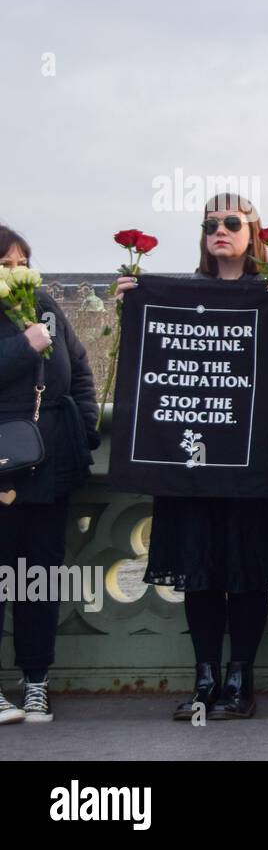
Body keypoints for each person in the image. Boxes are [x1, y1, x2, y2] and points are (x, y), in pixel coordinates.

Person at [116, 194, 268, 720]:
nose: (219, 230)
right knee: (199, 567)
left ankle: (240, 680)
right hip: (192, 451)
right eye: (210, 223)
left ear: (253, 234)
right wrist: (130, 308)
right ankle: (205, 677)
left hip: (252, 449)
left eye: (231, 222)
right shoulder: (178, 294)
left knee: (247, 568)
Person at [0, 227, 99, 724]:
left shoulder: (43, 305)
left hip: (49, 462)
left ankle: (36, 681)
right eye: (6, 263)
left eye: (23, 262)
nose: (16, 272)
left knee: (39, 575)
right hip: (1, 465)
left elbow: (78, 370)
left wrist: (83, 426)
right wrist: (23, 346)